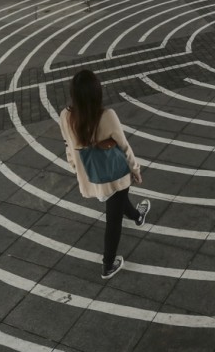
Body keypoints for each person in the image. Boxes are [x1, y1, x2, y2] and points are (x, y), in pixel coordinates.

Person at [58, 70, 150, 280]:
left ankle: (137, 216)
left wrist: (75, 167)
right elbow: (124, 147)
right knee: (114, 218)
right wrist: (135, 169)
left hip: (90, 176)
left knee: (117, 200)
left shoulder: (65, 116)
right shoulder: (107, 116)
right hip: (114, 175)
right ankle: (108, 265)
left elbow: (68, 146)